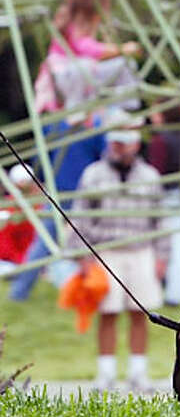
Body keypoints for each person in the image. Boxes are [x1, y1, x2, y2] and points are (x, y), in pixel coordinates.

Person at [69, 111, 169, 392]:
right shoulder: (93, 174)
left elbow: (161, 218)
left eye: (124, 141)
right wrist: (83, 256)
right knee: (108, 313)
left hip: (141, 250)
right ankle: (106, 374)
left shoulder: (150, 176)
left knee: (141, 313)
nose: (118, 147)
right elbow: (80, 217)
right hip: (105, 252)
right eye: (115, 141)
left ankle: (139, 373)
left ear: (136, 143)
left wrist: (162, 257)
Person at [8, 112, 107, 301]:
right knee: (91, 244)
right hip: (81, 193)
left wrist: (45, 180)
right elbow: (103, 157)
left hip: (60, 191)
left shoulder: (54, 125)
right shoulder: (94, 124)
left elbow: (40, 159)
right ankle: (90, 292)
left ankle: (19, 292)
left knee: (44, 243)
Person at [33, 0, 142, 116]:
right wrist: (123, 49)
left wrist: (110, 39)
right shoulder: (71, 24)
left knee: (126, 65)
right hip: (63, 79)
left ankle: (124, 109)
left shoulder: (87, 26)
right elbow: (87, 49)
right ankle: (75, 110)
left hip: (82, 77)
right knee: (84, 66)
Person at [147, 102, 180, 306]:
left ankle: (167, 292)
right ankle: (174, 292)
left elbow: (156, 174)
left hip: (165, 196)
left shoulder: (160, 141)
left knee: (165, 245)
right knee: (178, 245)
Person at [0, 165, 38, 277]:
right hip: (11, 262)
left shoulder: (40, 204)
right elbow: (5, 245)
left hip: (32, 258)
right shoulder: (6, 208)